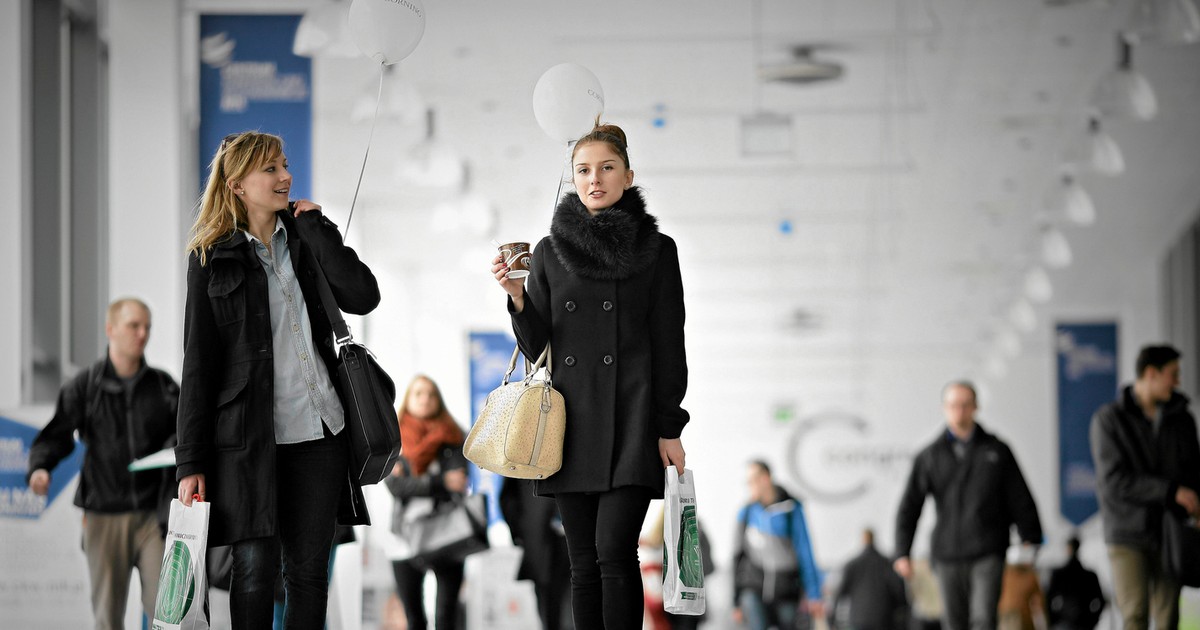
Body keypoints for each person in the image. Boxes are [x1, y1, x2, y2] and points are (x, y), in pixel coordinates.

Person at [174, 131, 380, 630]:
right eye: (270, 169)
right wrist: (190, 461)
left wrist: (319, 229)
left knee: (308, 574)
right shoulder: (210, 258)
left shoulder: (307, 240)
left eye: (285, 165)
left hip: (319, 433)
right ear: (238, 183)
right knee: (252, 572)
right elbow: (198, 363)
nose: (285, 176)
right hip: (248, 441)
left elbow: (363, 295)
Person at [490, 119, 689, 630]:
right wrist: (516, 296)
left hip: (633, 420)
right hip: (570, 423)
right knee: (582, 565)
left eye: (606, 167)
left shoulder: (657, 250)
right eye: (583, 170)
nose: (594, 178)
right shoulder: (551, 252)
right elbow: (537, 347)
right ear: (572, 178)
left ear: (627, 175)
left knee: (613, 554)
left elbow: (670, 344)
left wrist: (671, 427)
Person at [26, 297, 178, 630]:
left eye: (147, 327)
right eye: (133, 325)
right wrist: (40, 468)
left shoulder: (163, 386)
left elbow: (185, 435)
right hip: (104, 517)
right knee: (108, 618)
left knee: (166, 615)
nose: (142, 334)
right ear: (110, 329)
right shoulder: (85, 386)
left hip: (156, 518)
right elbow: (56, 435)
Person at [893, 381, 1043, 630]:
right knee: (954, 623)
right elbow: (910, 505)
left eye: (965, 405)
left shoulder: (997, 451)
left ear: (975, 407)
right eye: (953, 405)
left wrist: (1031, 536)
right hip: (947, 554)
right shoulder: (930, 456)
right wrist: (902, 551)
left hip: (988, 550)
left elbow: (1019, 497)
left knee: (984, 618)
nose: (959, 411)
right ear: (945, 408)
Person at [1089, 344, 1200, 630]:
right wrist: (1170, 491)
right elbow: (1114, 480)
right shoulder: (1109, 420)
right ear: (1151, 374)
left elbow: (1193, 471)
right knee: (1135, 614)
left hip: (1171, 532)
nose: (1177, 381)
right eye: (1173, 374)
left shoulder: (1182, 419)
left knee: (1168, 617)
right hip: (1126, 533)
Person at [386, 374, 469, 630]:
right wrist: (439, 482)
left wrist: (417, 482)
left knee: (446, 615)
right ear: (408, 399)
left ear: (439, 400)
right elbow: (395, 486)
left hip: (449, 534)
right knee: (414, 618)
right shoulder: (393, 438)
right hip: (404, 537)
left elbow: (459, 482)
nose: (425, 399)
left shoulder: (454, 437)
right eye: (419, 393)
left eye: (431, 394)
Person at [733, 460, 824, 630]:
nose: (749, 486)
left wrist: (814, 594)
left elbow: (805, 551)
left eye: (752, 480)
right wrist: (735, 601)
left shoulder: (791, 509)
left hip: (786, 590)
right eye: (747, 481)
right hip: (754, 588)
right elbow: (737, 556)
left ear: (765, 478)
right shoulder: (746, 512)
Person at [500, 477, 571, 630]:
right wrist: (522, 529)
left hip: (581, 534)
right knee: (548, 603)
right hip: (541, 537)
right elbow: (508, 496)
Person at [832, 529, 908, 630]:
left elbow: (838, 594)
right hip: (884, 620)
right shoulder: (887, 564)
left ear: (862, 540)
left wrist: (832, 620)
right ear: (874, 539)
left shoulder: (852, 565)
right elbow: (900, 593)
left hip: (858, 620)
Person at [1044, 537, 1105, 630]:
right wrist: (1092, 620)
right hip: (1084, 622)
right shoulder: (1089, 576)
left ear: (1067, 549)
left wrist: (1054, 619)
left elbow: (1047, 599)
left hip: (1064, 621)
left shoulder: (1059, 574)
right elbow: (1101, 601)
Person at [996, 546, 1045, 630]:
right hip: (1020, 619)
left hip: (1003, 616)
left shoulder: (1002, 575)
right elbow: (1038, 605)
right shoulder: (1030, 577)